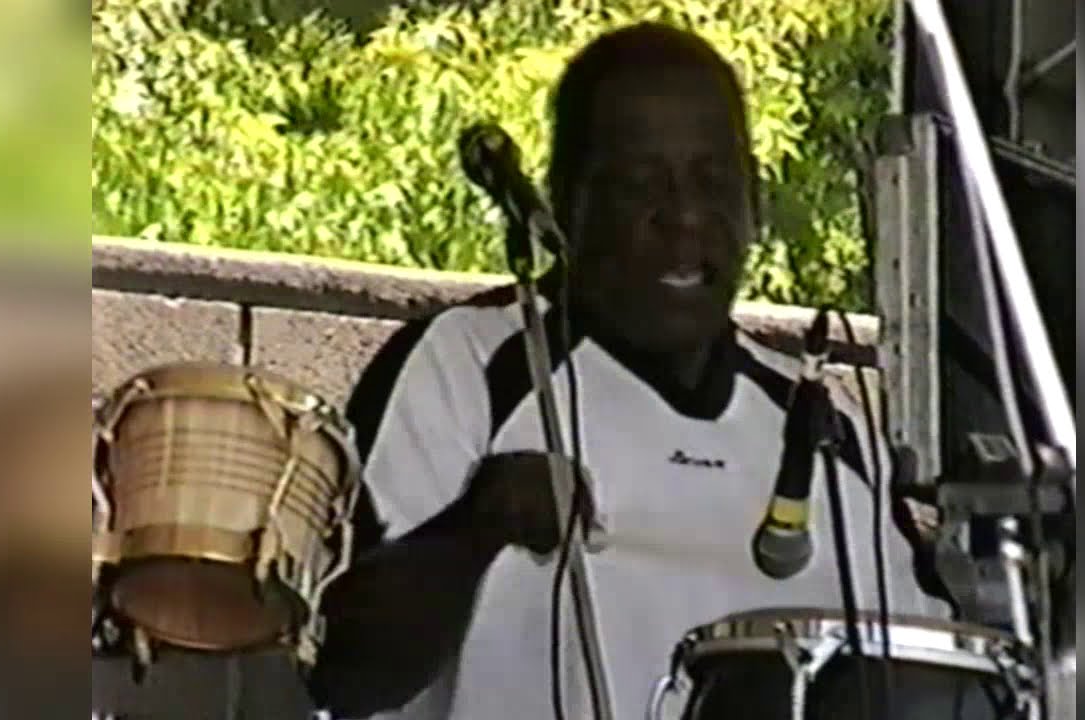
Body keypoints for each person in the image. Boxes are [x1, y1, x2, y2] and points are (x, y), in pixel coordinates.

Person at [309, 22, 945, 720]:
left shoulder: (827, 428)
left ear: (755, 203)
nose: (683, 217)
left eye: (714, 181)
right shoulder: (466, 366)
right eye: (640, 184)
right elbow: (334, 676)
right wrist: (472, 529)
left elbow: (929, 675)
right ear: (563, 199)